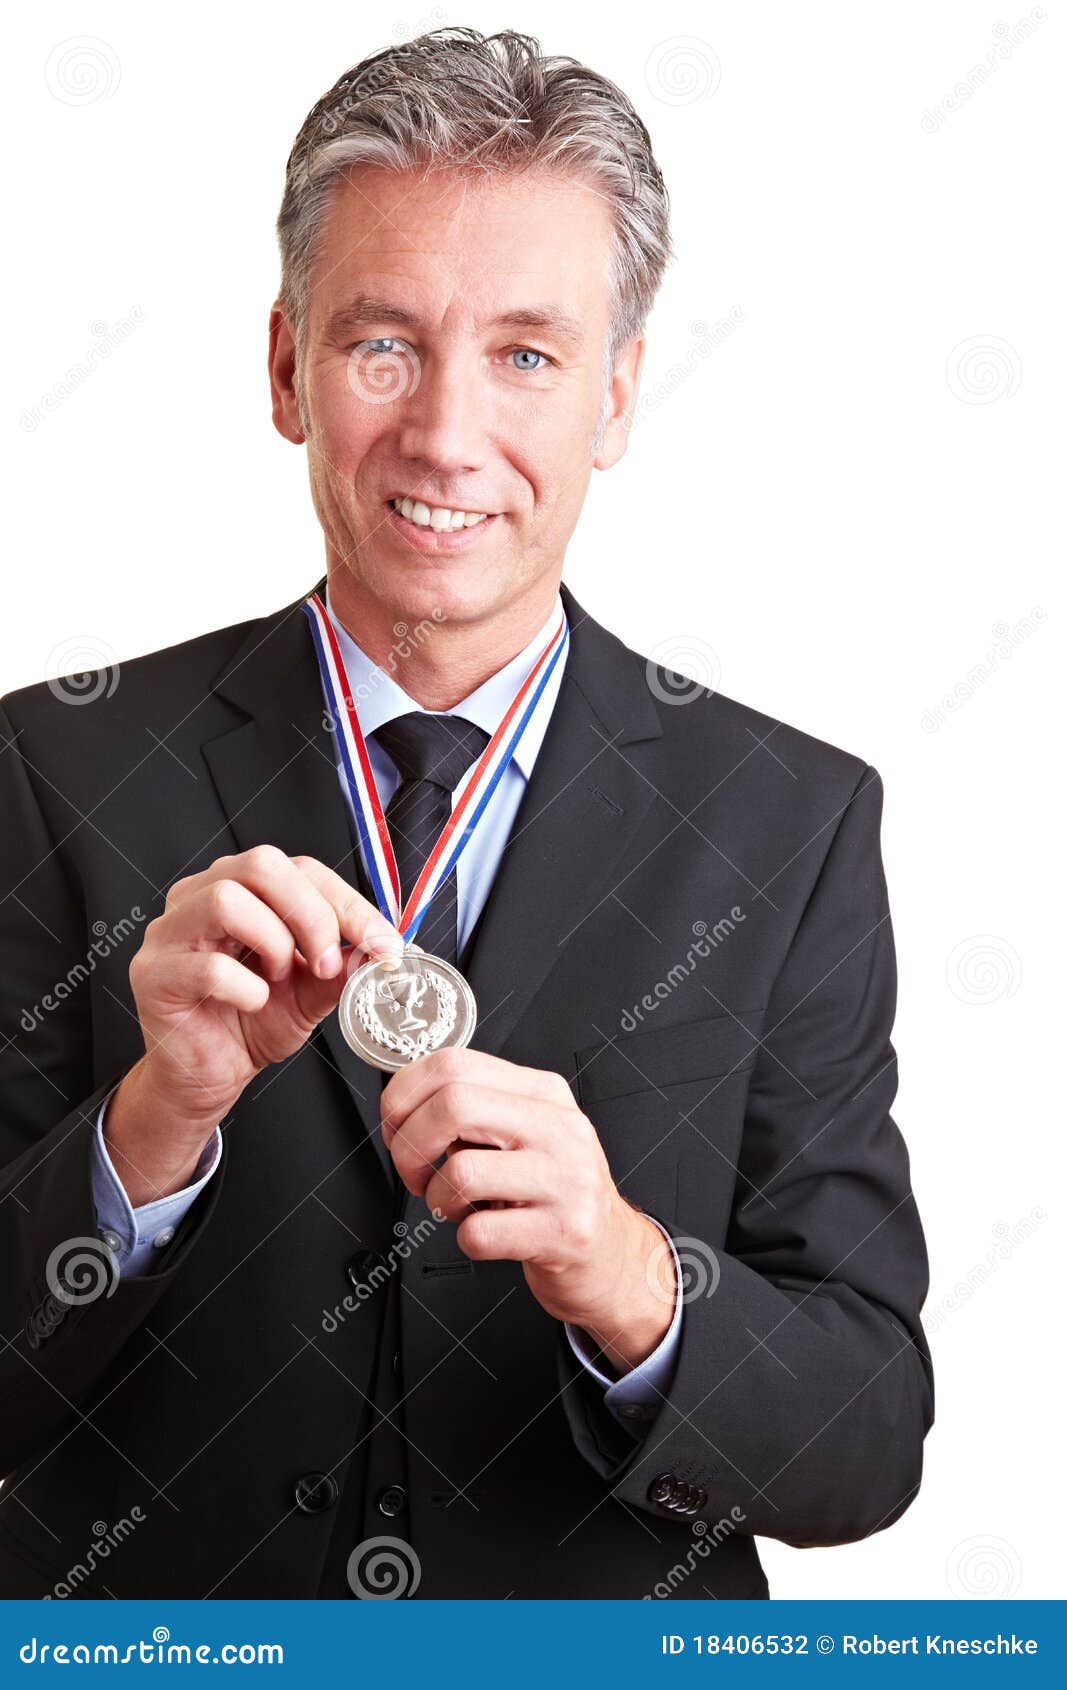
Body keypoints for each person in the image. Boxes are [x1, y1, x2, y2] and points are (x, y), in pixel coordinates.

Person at [0, 28, 932, 1600]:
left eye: (526, 354)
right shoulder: (58, 765)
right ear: (287, 367)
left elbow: (870, 1439)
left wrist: (634, 1280)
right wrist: (150, 1129)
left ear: (619, 393)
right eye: (383, 343)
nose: (444, 435)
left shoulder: (794, 820)